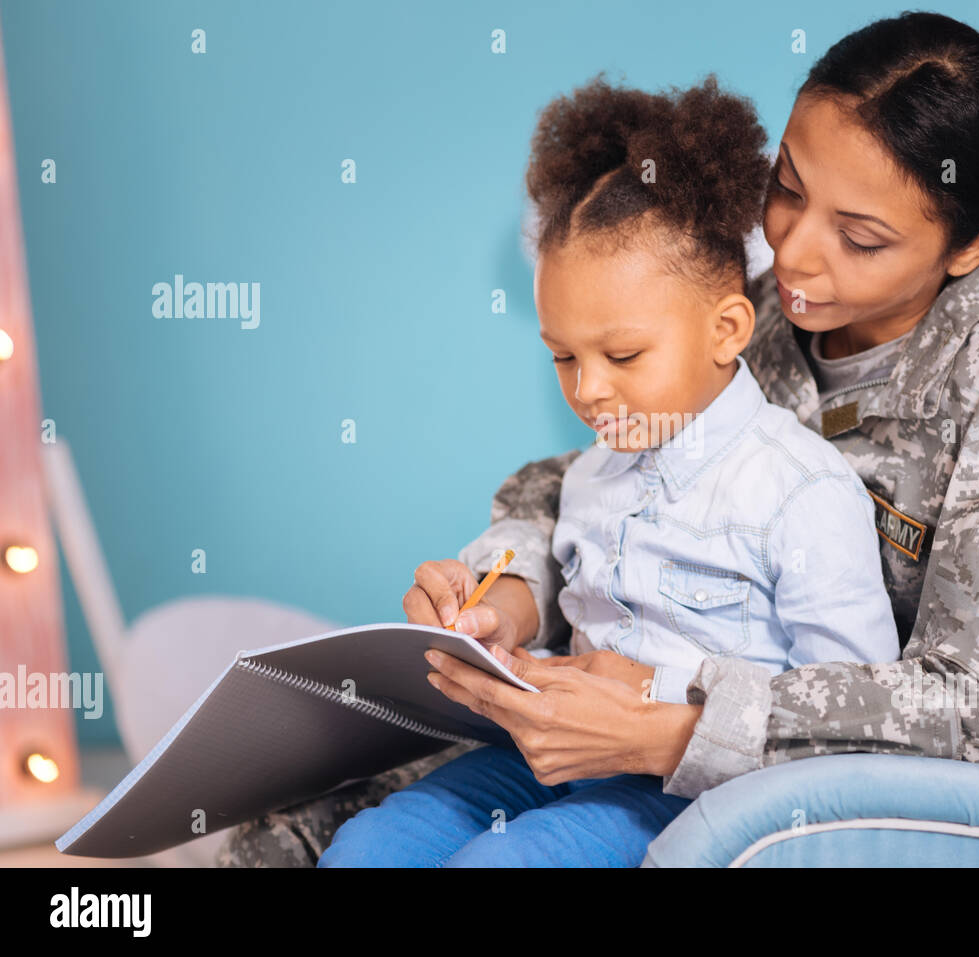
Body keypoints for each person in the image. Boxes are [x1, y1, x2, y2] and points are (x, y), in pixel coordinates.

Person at [289, 10, 979, 869]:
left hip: (936, 781)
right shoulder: (772, 310)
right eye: (788, 187)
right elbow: (597, 476)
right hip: (664, 721)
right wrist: (505, 582)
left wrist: (675, 725)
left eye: (859, 238)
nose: (795, 254)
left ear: (972, 245)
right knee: (339, 812)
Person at [317, 74, 900, 867]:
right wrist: (489, 620)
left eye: (621, 355)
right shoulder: (592, 473)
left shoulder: (803, 490)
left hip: (687, 785)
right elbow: (554, 595)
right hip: (548, 757)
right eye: (563, 355)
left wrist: (654, 700)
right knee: (371, 843)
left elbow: (850, 722)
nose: (588, 389)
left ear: (728, 328)